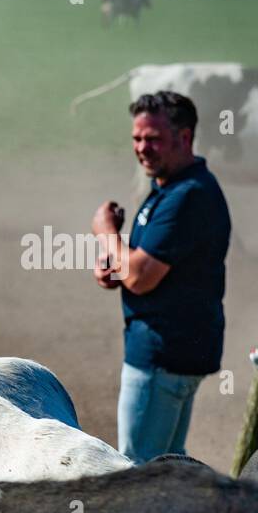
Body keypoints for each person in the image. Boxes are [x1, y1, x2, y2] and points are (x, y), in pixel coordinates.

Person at [91, 91, 230, 464]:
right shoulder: (170, 189)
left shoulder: (186, 195)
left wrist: (105, 233)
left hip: (161, 356)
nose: (142, 148)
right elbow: (148, 266)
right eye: (137, 138)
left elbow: (141, 277)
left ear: (184, 137)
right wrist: (115, 269)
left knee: (138, 469)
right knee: (169, 465)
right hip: (177, 353)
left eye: (152, 138)